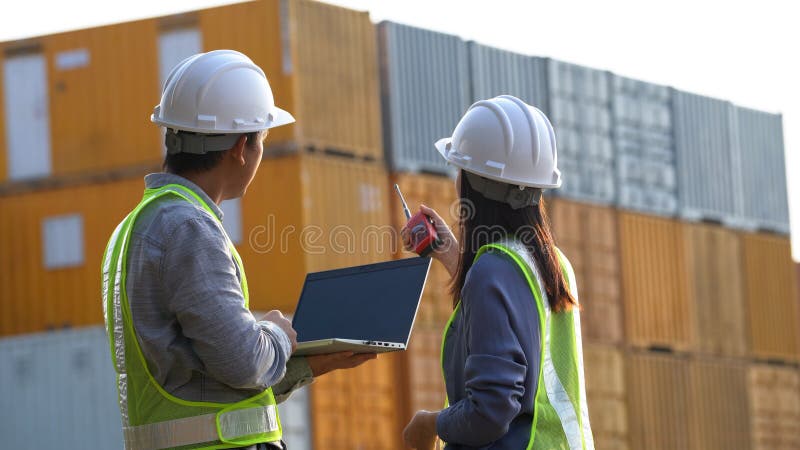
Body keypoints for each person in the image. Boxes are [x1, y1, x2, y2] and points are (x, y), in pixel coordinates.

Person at [101, 50, 375, 450]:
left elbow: (198, 380)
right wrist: (277, 334)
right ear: (242, 146)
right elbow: (243, 361)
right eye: (263, 139)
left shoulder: (136, 228)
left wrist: (311, 363)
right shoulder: (188, 228)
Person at [401, 95, 594, 449]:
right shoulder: (554, 265)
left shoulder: (491, 273)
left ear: (472, 183)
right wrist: (454, 257)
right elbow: (515, 309)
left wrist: (431, 424)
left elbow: (491, 409)